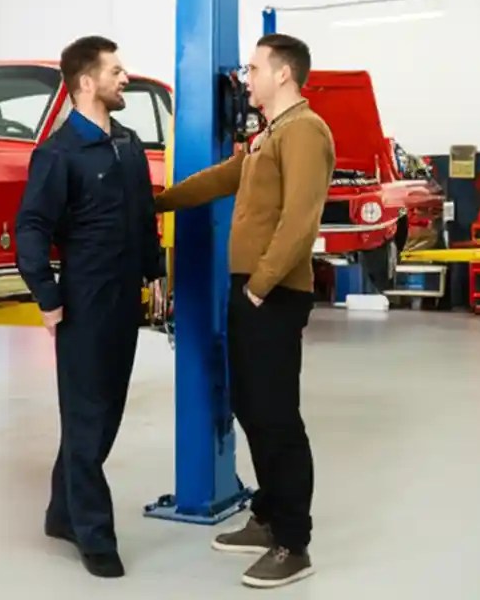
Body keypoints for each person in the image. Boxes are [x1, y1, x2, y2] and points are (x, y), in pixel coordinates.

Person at [154, 33, 334, 589]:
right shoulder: (270, 135)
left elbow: (301, 218)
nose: (245, 77)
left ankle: (293, 543)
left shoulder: (305, 130)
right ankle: (267, 514)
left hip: (272, 293)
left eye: (254, 68)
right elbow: (220, 180)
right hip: (254, 291)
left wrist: (259, 285)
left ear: (283, 74)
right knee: (252, 408)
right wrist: (157, 199)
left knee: (277, 417)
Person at [15, 35, 164, 579]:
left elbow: (143, 213)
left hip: (125, 298)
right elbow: (31, 228)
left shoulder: (125, 143)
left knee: (105, 412)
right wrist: (48, 298)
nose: (125, 78)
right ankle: (94, 534)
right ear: (85, 83)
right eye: (116, 71)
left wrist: (155, 274)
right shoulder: (58, 153)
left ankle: (61, 512)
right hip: (83, 301)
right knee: (86, 415)